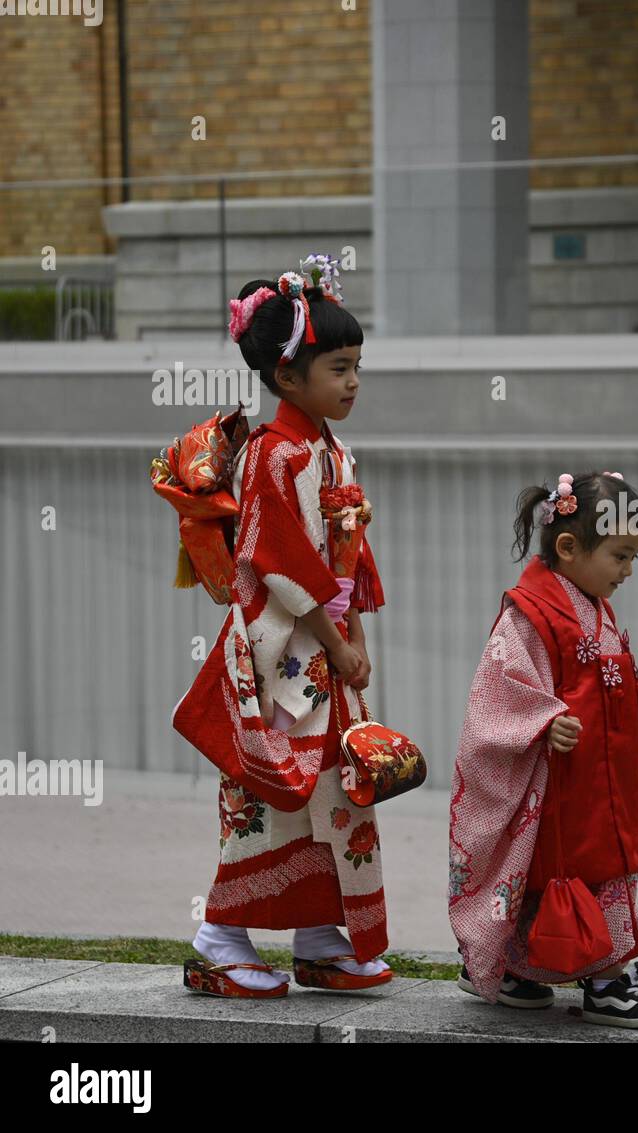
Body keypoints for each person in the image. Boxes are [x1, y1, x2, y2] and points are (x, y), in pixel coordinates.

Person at [173, 256, 391, 998]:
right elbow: (278, 559)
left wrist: (353, 636)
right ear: (287, 377)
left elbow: (348, 558)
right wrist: (336, 639)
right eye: (339, 367)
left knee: (333, 789)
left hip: (322, 655)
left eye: (357, 364)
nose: (353, 380)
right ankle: (218, 936)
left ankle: (322, 938)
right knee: (270, 793)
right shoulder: (275, 452)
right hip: (280, 656)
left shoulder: (330, 450)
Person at [448, 470, 638, 1028]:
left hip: (599, 775)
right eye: (620, 556)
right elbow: (499, 685)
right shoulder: (529, 611)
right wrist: (544, 719)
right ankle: (605, 981)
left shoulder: (593, 605)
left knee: (592, 865)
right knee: (574, 868)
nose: (627, 571)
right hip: (561, 780)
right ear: (570, 547)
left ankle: (524, 968)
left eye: (634, 558)